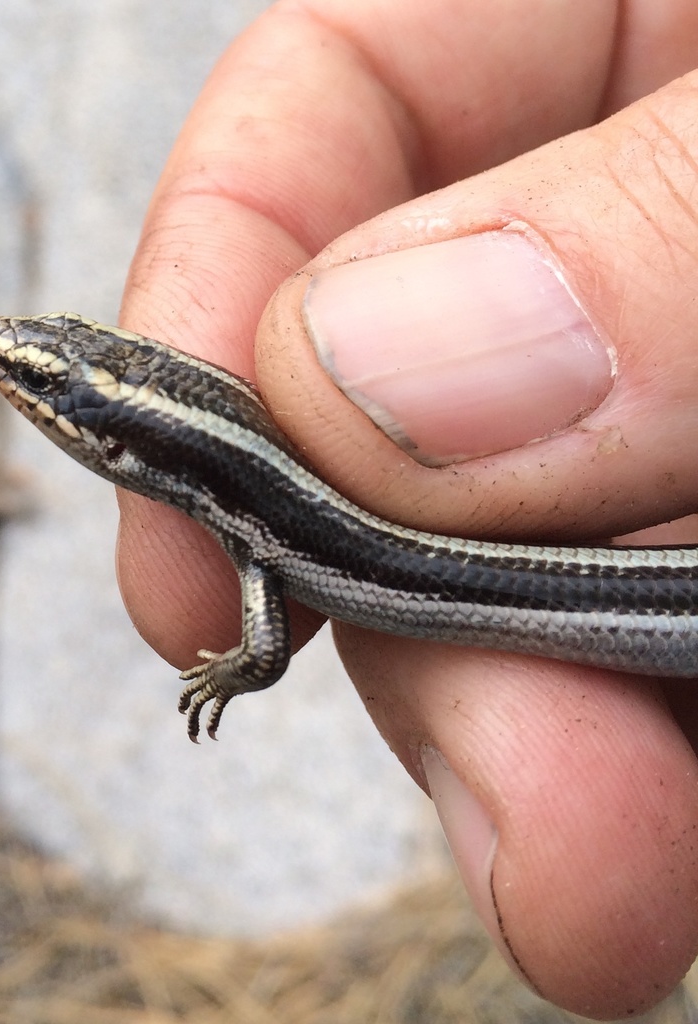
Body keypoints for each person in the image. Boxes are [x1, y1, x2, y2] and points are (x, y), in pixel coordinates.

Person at [115, 2, 698, 1017]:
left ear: (135, 455)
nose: (37, 399)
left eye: (60, 400)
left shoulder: (263, 548)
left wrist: (230, 672)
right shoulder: (265, 536)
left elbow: (261, 653)